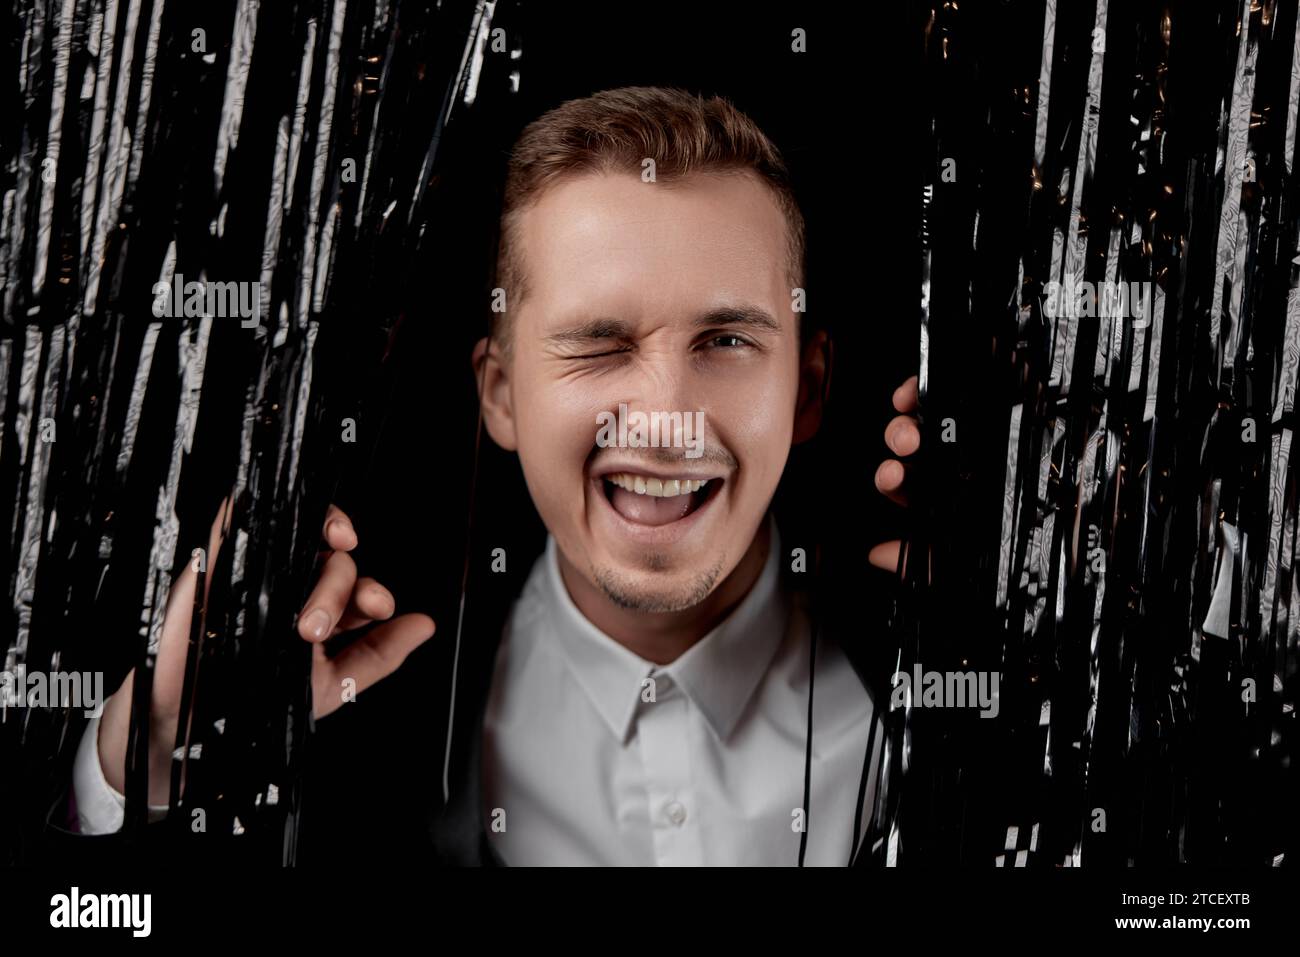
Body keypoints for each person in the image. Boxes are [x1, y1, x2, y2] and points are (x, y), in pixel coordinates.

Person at [69, 87, 922, 865]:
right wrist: (144, 756)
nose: (668, 419)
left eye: (726, 342)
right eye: (599, 343)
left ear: (807, 389)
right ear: (502, 395)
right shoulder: (364, 724)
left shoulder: (926, 690)